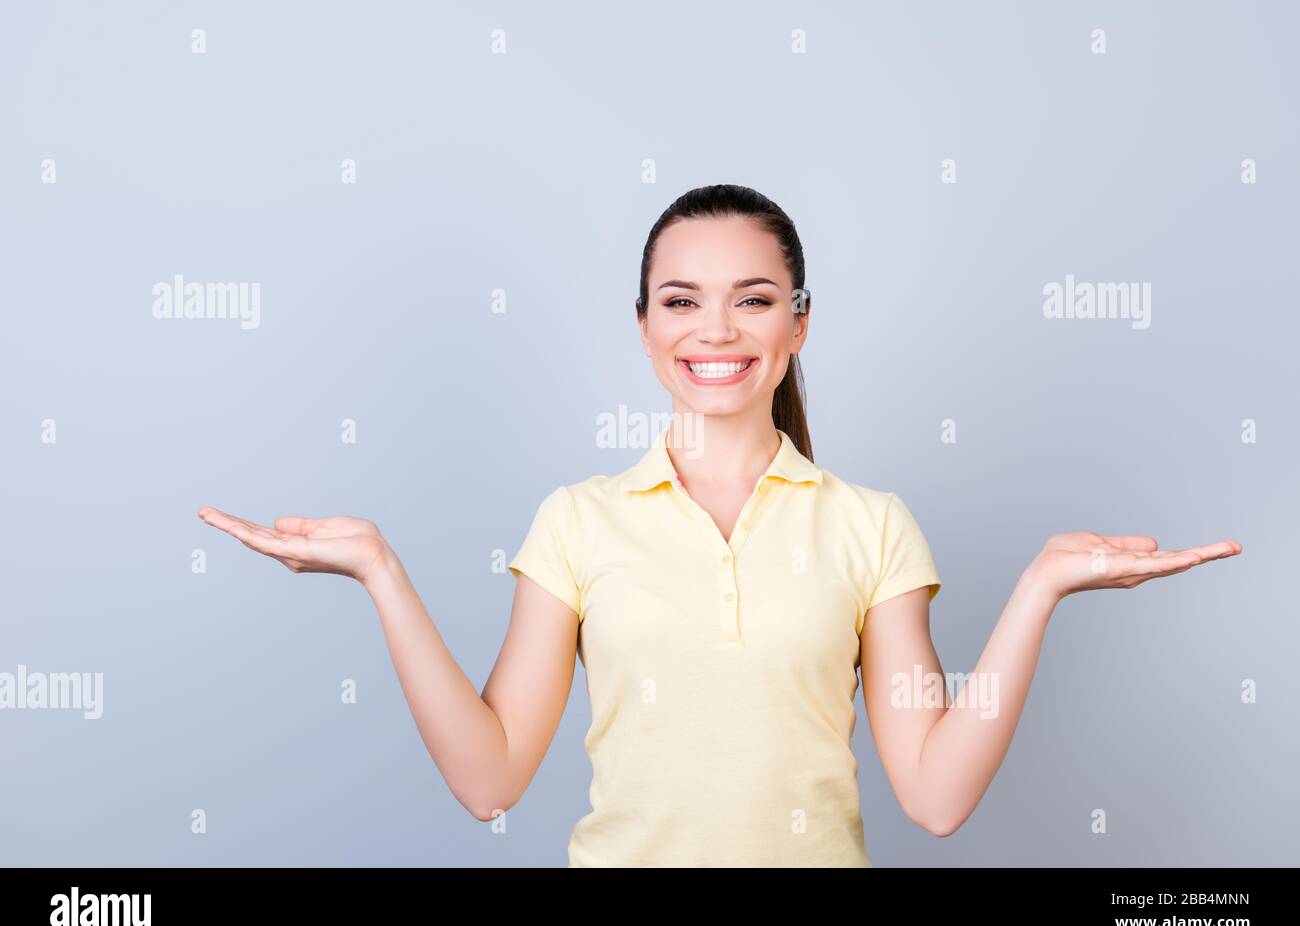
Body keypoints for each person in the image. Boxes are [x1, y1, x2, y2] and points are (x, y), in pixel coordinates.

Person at [197, 184, 1242, 867]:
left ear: (798, 322)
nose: (715, 330)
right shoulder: (577, 522)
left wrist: (1038, 591)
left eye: (753, 299)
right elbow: (489, 778)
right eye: (681, 300)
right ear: (644, 325)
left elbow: (935, 795)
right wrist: (380, 571)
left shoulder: (871, 528)